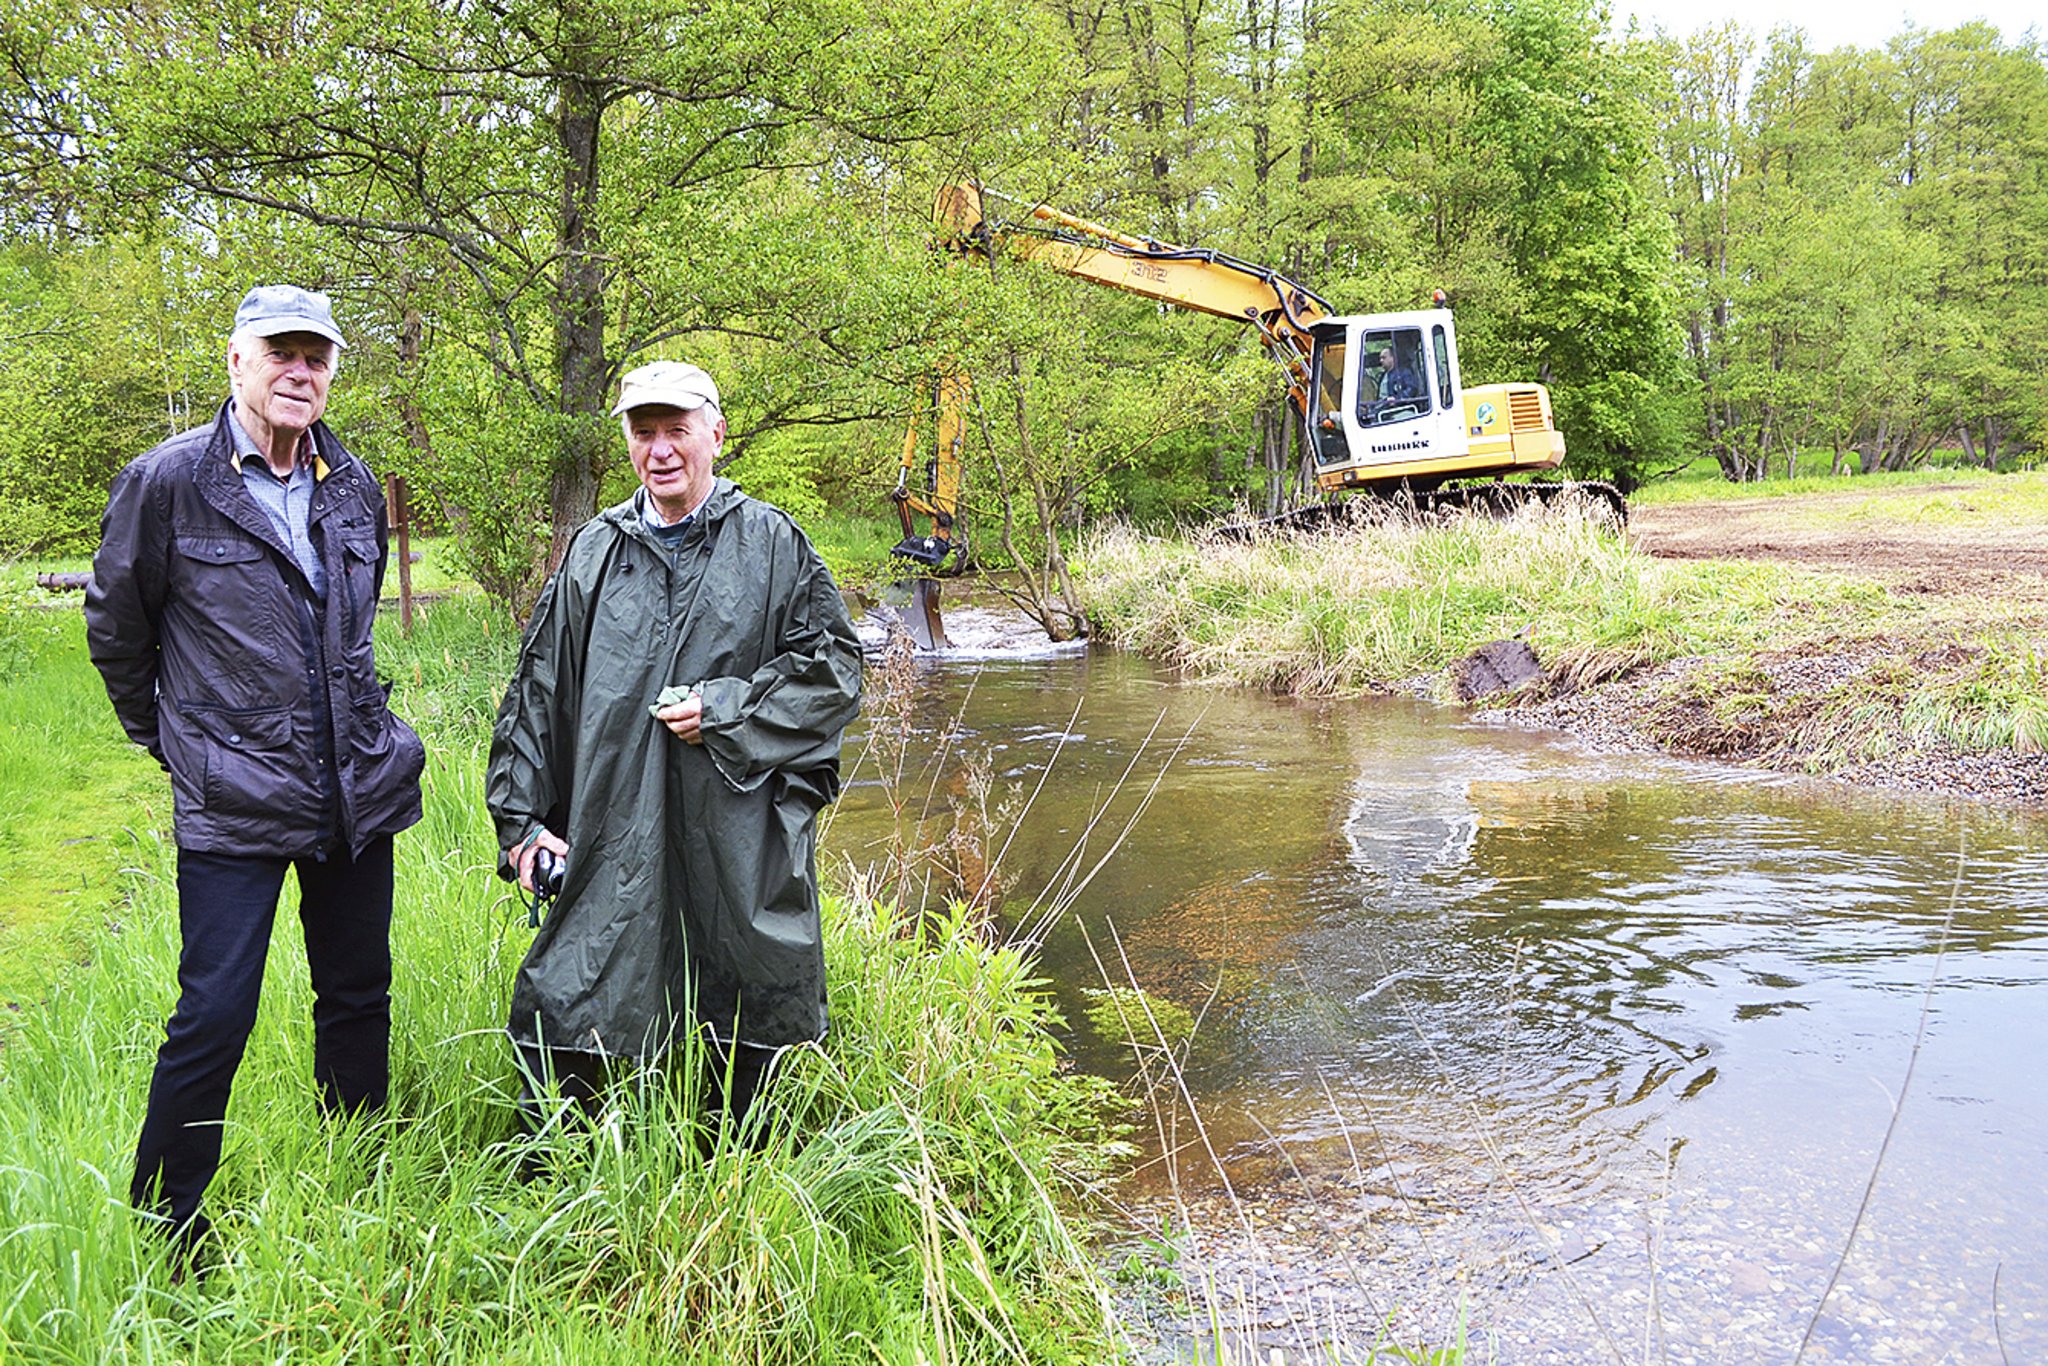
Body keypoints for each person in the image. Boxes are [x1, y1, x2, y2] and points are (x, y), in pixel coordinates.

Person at [85, 285, 425, 1266]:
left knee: (358, 990)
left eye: (315, 356)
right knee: (215, 1009)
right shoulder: (166, 484)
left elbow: (346, 635)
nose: (299, 371)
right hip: (232, 799)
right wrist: (176, 744)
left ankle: (361, 1171)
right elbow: (117, 631)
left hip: (355, 783)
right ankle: (168, 1227)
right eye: (280, 352)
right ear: (235, 361)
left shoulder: (353, 483)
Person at [484, 359, 863, 1137]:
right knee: (577, 982)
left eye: (677, 431)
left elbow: (834, 670)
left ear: (715, 435)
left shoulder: (771, 544)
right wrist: (521, 824)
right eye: (643, 432)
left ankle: (740, 1172)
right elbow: (537, 693)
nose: (660, 450)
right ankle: (560, 1176)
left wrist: (729, 709)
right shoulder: (593, 553)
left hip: (736, 827)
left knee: (744, 988)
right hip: (614, 816)